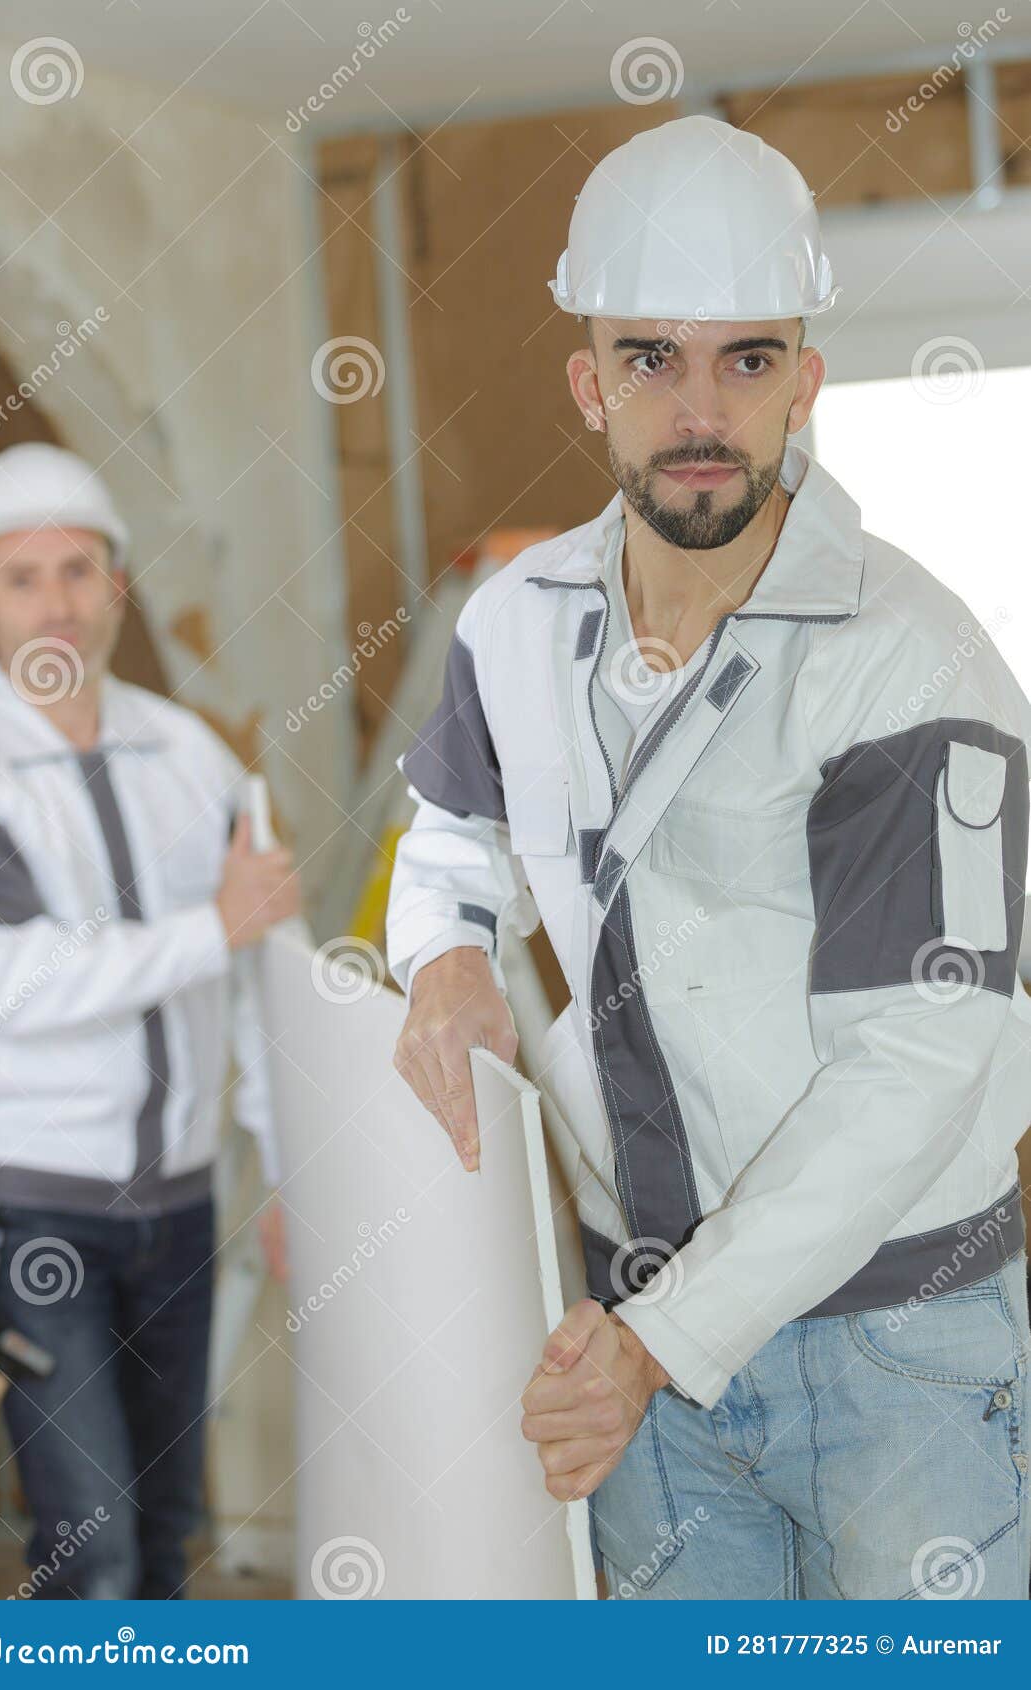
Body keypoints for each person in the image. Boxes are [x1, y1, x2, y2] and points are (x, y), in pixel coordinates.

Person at [385, 116, 1031, 1600]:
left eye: (745, 360)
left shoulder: (904, 664)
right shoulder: (514, 627)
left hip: (897, 1347)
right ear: (587, 381)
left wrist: (654, 1343)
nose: (699, 411)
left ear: (803, 381)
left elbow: (916, 1053)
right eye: (650, 359)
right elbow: (451, 835)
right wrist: (445, 954)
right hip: (638, 1325)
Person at [0, 442, 300, 1598]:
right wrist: (210, 927)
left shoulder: (191, 753)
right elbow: (8, 985)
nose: (55, 603)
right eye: (22, 578)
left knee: (166, 1542)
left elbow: (258, 982)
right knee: (91, 1547)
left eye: (77, 571)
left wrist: (286, 1172)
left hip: (180, 1206)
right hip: (36, 1208)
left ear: (117, 586)